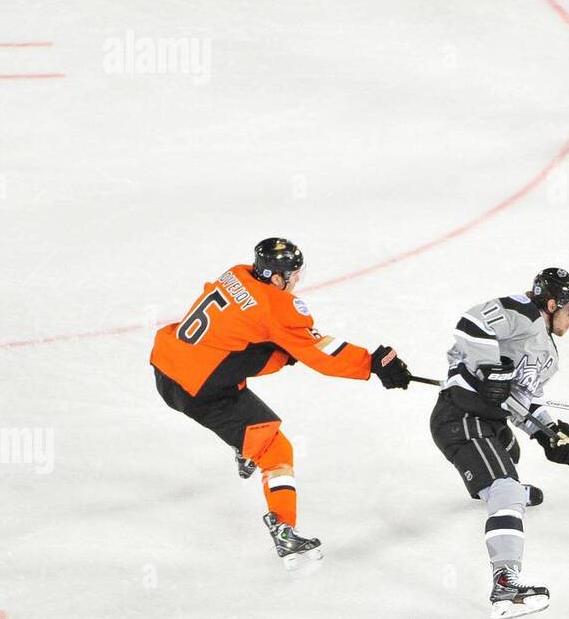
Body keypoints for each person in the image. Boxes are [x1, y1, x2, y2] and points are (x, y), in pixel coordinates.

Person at [149, 237, 411, 568]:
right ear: (276, 277)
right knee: (276, 450)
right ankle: (283, 526)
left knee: (265, 350)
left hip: (166, 364)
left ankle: (243, 445)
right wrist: (373, 364)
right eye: (293, 274)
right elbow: (319, 354)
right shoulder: (278, 308)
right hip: (197, 389)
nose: (296, 280)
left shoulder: (237, 274)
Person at [429, 268, 569, 619]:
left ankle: (499, 491)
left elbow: (522, 401)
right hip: (462, 417)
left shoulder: (547, 352)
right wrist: (489, 369)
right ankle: (506, 588)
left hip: (489, 423)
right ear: (551, 303)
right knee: (506, 489)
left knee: (509, 453)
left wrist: (551, 434)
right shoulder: (523, 314)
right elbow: (471, 323)